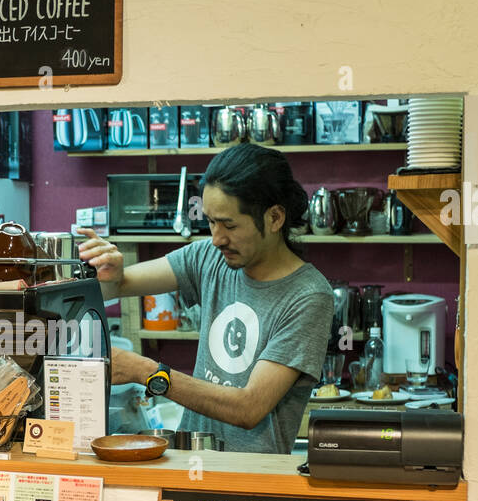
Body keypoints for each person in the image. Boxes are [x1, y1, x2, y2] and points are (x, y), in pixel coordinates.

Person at [78, 143, 333, 453]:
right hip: (193, 463)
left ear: (275, 218)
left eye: (229, 225)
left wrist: (145, 371)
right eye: (211, 222)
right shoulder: (209, 257)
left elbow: (248, 408)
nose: (216, 238)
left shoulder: (308, 296)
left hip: (252, 481)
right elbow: (117, 286)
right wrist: (111, 272)